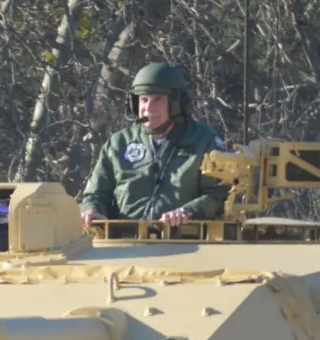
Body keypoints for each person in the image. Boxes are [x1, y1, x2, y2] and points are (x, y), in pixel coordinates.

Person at [78, 63, 230, 231]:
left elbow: (217, 194)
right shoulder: (119, 143)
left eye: (157, 100)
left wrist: (188, 211)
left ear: (176, 104)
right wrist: (91, 210)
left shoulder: (203, 140)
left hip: (182, 242)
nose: (148, 108)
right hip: (124, 244)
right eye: (143, 99)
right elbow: (96, 193)